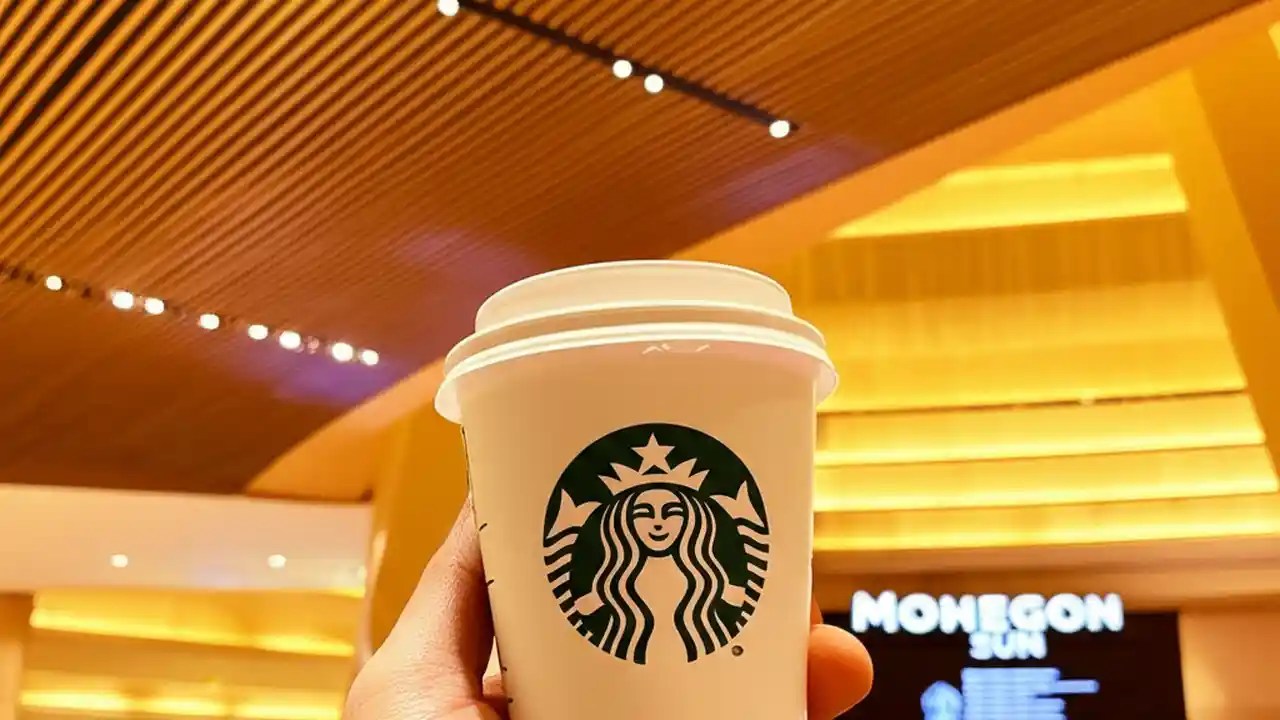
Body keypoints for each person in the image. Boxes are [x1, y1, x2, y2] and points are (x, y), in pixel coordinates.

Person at [345, 500, 874, 719]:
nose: (659, 524)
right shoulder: (611, 589)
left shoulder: (706, 592)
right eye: (643, 512)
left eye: (672, 510)